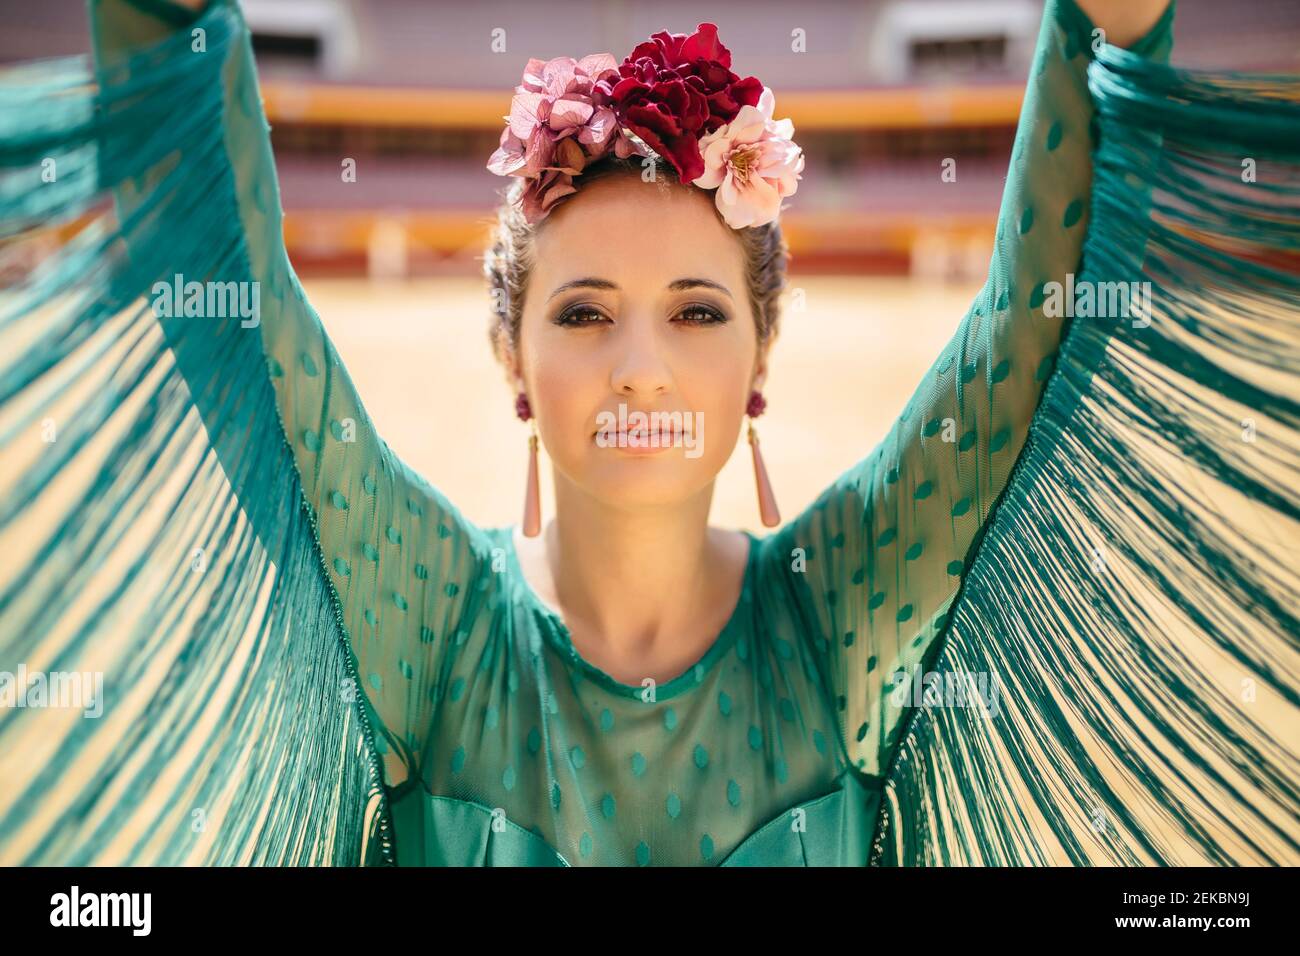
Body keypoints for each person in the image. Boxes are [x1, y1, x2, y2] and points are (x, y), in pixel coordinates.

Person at [1, 0, 1295, 866]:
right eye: (581, 313)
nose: (638, 368)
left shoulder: (837, 610)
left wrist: (1103, 25)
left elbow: (1035, 322)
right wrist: (169, 23)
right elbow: (248, 321)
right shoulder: (436, 627)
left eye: (693, 308)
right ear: (512, 362)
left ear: (759, 359)